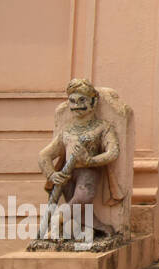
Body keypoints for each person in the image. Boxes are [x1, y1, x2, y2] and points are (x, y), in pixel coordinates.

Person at [37, 78, 122, 241]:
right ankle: (95, 228)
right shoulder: (67, 130)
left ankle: (57, 222)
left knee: (83, 197)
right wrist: (52, 175)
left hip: (89, 172)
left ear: (94, 101)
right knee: (79, 207)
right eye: (73, 101)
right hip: (67, 175)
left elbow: (113, 152)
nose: (77, 106)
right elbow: (44, 155)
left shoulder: (102, 127)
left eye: (82, 100)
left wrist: (90, 160)